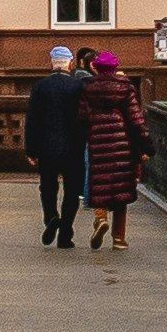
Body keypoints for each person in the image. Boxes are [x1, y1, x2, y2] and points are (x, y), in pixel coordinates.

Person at [79, 52, 149, 253]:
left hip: (97, 143)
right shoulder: (125, 88)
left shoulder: (87, 88)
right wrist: (146, 147)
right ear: (115, 67)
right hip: (122, 144)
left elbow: (81, 117)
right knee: (120, 191)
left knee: (99, 184)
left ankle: (100, 218)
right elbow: (136, 120)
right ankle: (119, 238)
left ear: (96, 68)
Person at [23, 45, 89, 247]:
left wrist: (31, 150)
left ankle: (51, 218)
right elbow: (85, 118)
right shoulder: (78, 87)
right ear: (70, 64)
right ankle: (65, 234)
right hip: (74, 147)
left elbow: (32, 120)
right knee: (72, 191)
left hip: (47, 147)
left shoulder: (40, 86)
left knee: (48, 187)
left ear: (51, 63)